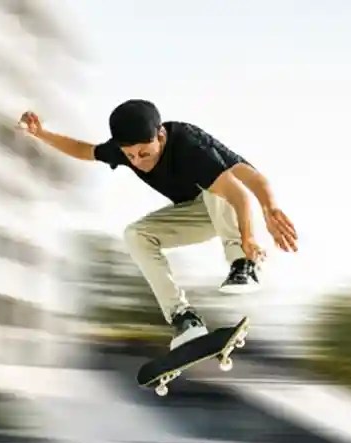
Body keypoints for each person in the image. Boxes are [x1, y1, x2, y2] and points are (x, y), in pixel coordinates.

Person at [18, 99, 298, 350]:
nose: (139, 162)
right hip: (195, 215)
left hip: (228, 206)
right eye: (131, 156)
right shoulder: (124, 150)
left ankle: (242, 265)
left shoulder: (191, 145)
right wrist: (40, 134)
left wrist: (262, 218)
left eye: (145, 153)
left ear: (160, 136)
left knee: (218, 187)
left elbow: (241, 189)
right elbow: (84, 150)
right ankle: (183, 318)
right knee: (136, 235)